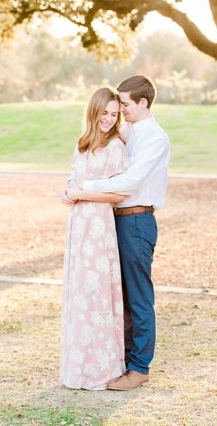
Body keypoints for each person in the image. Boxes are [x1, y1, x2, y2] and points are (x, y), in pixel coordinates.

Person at [82, 75, 171, 391]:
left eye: (124, 102)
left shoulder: (155, 140)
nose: (119, 108)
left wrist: (84, 189)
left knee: (138, 297)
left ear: (143, 103)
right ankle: (121, 360)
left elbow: (129, 183)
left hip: (137, 221)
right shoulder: (126, 132)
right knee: (118, 296)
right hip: (114, 220)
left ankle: (139, 367)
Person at [59, 87, 130, 390]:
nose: (109, 119)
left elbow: (119, 193)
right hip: (79, 227)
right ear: (94, 110)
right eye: (105, 112)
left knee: (98, 292)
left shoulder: (117, 147)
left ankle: (101, 366)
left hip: (100, 227)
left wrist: (81, 193)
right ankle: (79, 365)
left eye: (115, 114)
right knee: (80, 294)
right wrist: (67, 191)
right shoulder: (83, 144)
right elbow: (73, 180)